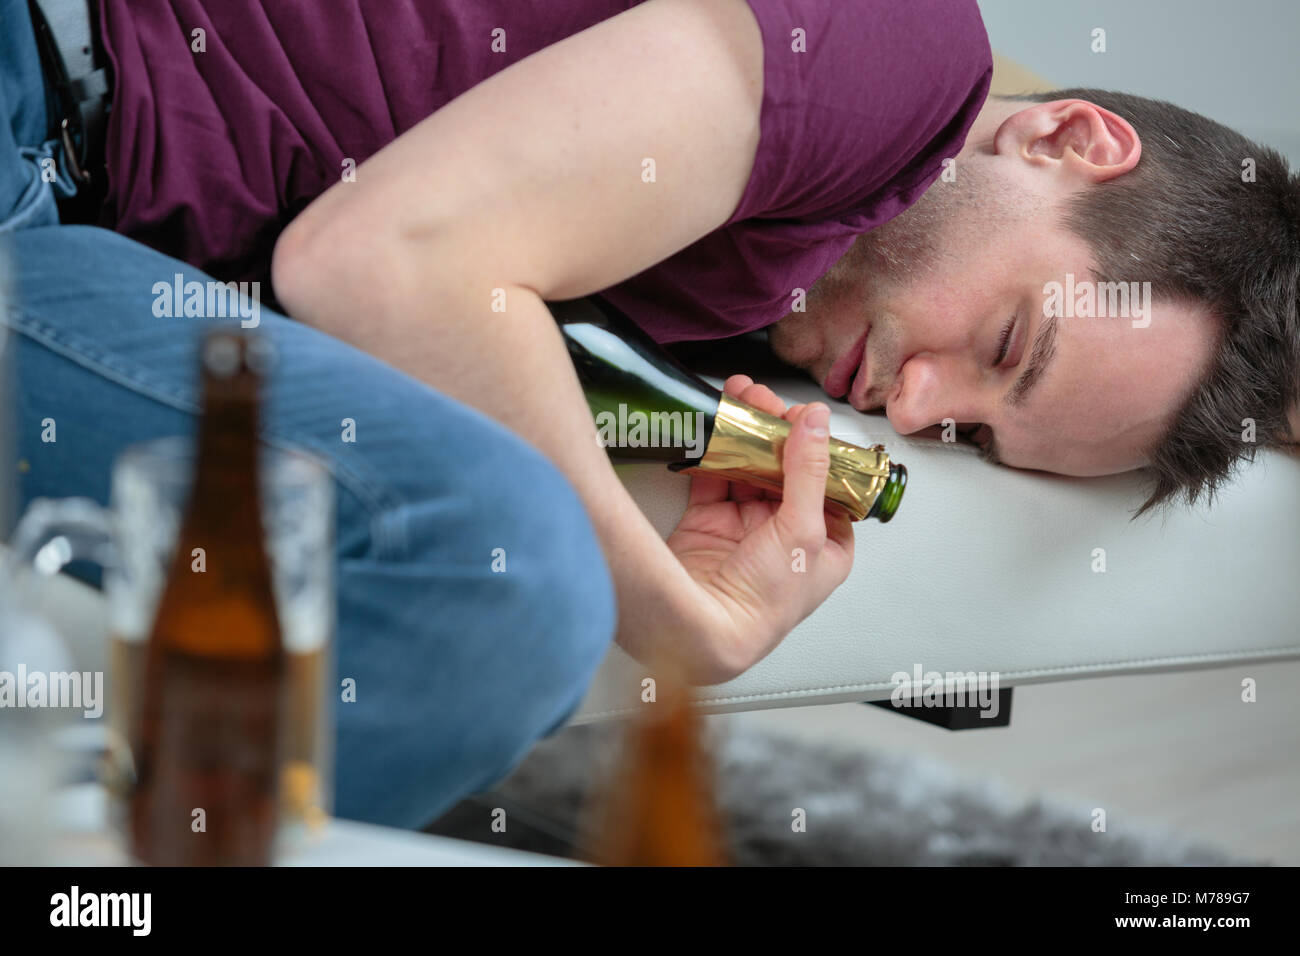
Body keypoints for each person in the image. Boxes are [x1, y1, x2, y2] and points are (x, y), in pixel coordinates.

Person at [4, 0, 1296, 826]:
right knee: (507, 572)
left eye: (965, 435)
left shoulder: (765, 286)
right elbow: (381, 264)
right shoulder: (897, 54)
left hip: (76, 254)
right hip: (39, 76)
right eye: (1008, 343)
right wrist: (684, 618)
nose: (909, 405)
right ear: (1069, 140)